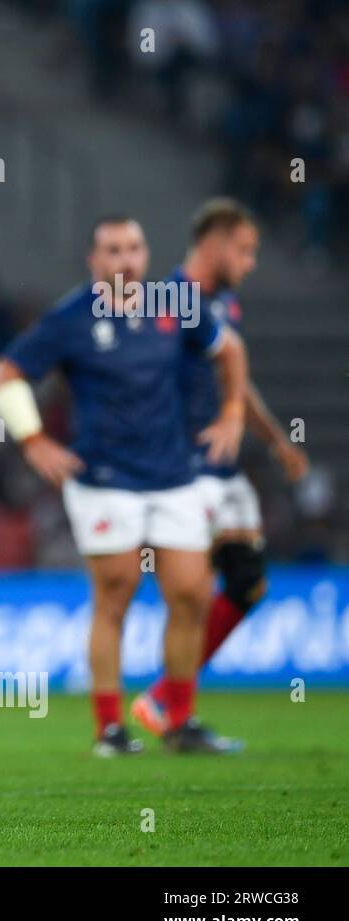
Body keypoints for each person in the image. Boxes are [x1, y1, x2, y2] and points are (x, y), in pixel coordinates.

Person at [0, 215, 248, 755]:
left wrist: (234, 414)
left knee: (192, 594)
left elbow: (230, 350)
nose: (125, 260)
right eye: (112, 250)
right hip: (104, 479)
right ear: (94, 260)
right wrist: (34, 441)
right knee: (116, 594)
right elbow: (1, 375)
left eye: (133, 248)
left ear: (145, 254)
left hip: (174, 474)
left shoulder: (176, 304)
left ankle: (179, 719)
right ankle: (109, 727)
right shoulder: (71, 318)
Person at [132, 199, 308, 735]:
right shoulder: (172, 299)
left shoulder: (220, 303)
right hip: (184, 463)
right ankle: (172, 709)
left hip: (217, 463)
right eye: (245, 250)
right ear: (214, 243)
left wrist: (275, 439)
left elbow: (236, 375)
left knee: (245, 581)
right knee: (192, 589)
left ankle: (166, 698)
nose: (251, 262)